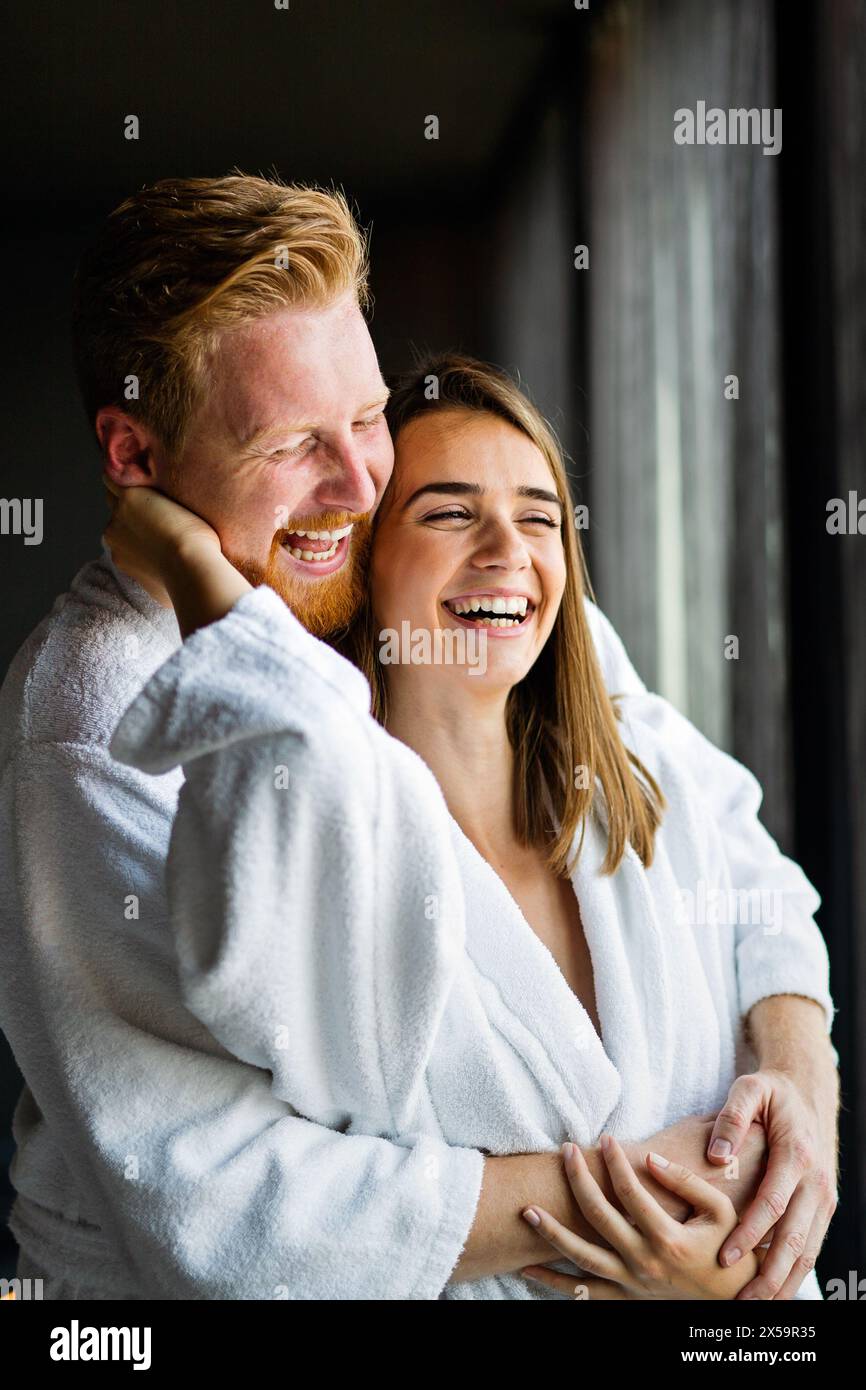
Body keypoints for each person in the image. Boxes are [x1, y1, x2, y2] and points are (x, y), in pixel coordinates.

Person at [0, 173, 837, 1300]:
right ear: (135, 458)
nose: (357, 486)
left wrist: (800, 1083)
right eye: (292, 443)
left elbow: (734, 848)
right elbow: (223, 1199)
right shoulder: (96, 727)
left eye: (365, 416)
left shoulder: (418, 595)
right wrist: (630, 1232)